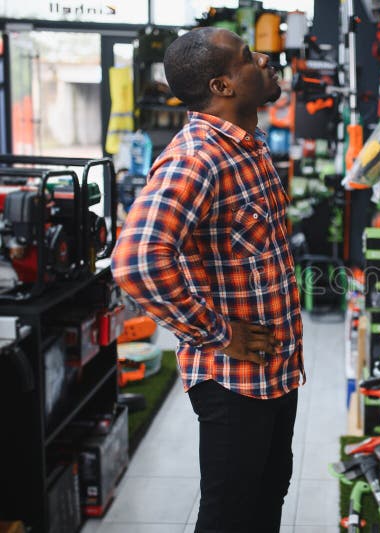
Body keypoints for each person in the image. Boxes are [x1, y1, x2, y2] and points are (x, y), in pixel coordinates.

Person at [111, 27, 304, 533]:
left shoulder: (248, 146)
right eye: (247, 57)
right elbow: (136, 260)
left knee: (267, 497)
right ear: (222, 86)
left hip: (275, 371)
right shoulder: (197, 157)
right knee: (228, 516)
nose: (263, 58)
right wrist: (218, 334)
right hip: (233, 379)